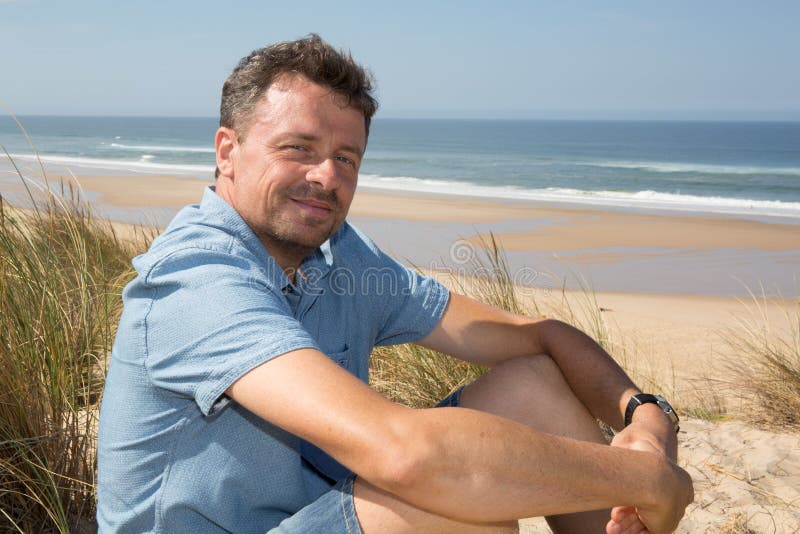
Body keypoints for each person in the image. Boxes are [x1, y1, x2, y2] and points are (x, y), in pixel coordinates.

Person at [97, 34, 693, 534]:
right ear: (228, 151)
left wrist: (644, 416)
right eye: (298, 148)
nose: (326, 176)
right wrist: (646, 480)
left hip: (314, 515)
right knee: (450, 504)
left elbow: (541, 336)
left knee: (533, 385)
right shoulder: (196, 280)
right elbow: (405, 455)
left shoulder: (342, 258)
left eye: (346, 158)